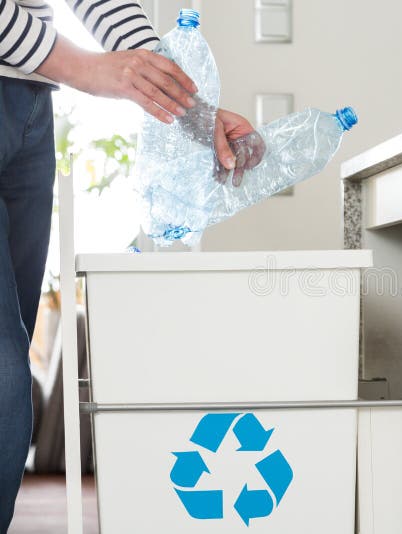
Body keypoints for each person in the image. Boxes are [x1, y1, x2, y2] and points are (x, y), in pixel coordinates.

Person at [0, 1, 256, 531]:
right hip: (34, 76)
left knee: (11, 366)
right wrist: (88, 68)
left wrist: (191, 109)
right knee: (2, 375)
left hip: (27, 106)